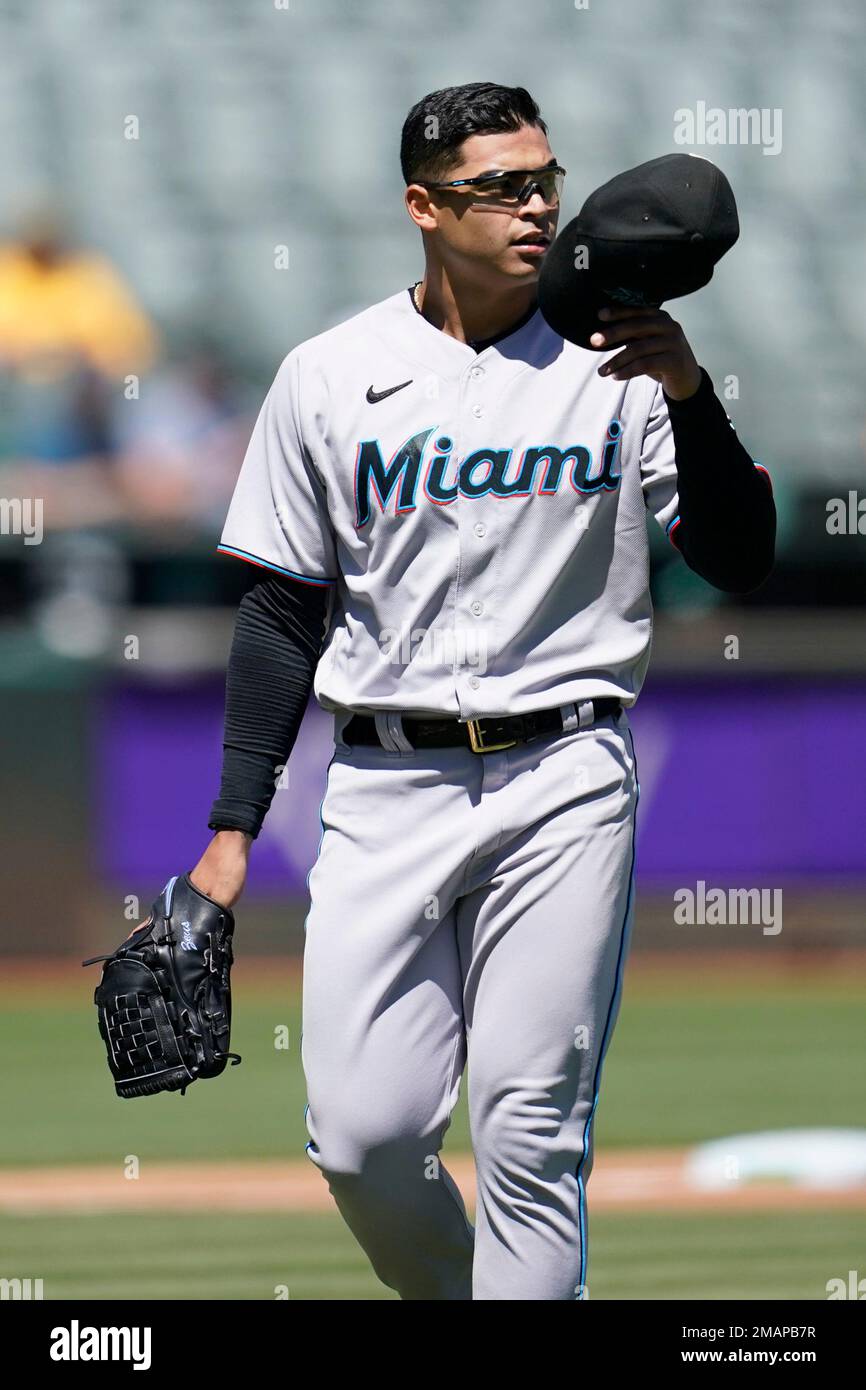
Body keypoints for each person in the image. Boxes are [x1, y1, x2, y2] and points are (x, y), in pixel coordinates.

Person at [191, 82, 775, 1300]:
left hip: (562, 772)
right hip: (383, 782)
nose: (534, 206)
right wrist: (232, 828)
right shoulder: (328, 373)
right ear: (420, 205)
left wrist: (690, 395)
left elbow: (739, 555)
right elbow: (281, 611)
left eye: (544, 180)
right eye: (498, 187)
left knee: (529, 1130)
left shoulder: (620, 354)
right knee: (360, 1138)